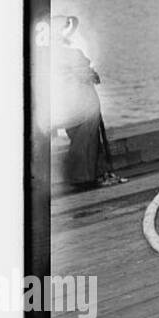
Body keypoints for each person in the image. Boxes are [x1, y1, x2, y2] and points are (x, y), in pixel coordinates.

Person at [49, 14, 123, 190]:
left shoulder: (46, 55)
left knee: (82, 134)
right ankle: (84, 177)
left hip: (60, 109)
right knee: (89, 126)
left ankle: (89, 174)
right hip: (79, 109)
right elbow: (92, 77)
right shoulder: (72, 54)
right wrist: (91, 74)